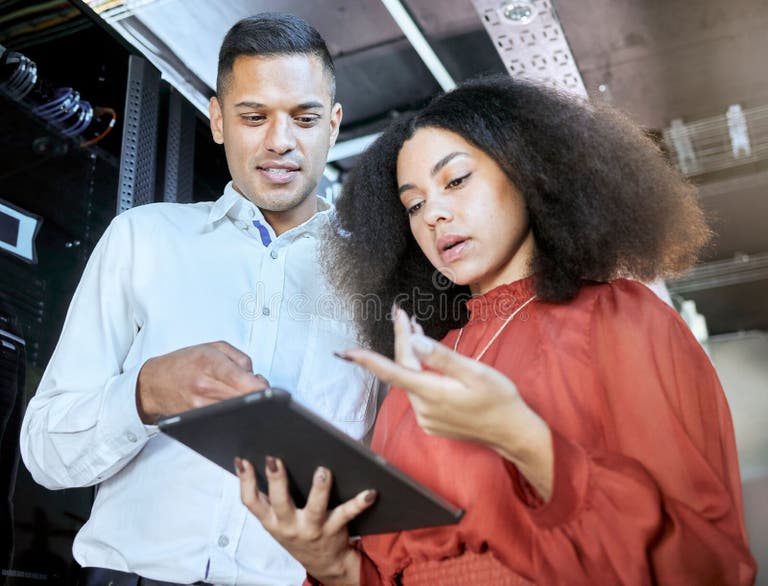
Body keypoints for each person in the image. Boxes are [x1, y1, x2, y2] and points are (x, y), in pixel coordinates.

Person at [236, 76, 758, 585]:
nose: (434, 214)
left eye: (456, 180)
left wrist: (521, 437)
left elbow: (701, 561)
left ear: (529, 174)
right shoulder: (417, 372)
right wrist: (332, 564)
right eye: (413, 205)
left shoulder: (622, 319)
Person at [20, 13, 378, 586]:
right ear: (217, 120)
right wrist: (144, 394)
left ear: (333, 126)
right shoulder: (143, 239)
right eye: (253, 116)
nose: (280, 141)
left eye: (304, 118)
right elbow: (44, 453)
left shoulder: (377, 279)